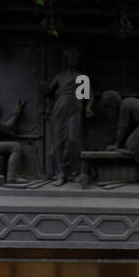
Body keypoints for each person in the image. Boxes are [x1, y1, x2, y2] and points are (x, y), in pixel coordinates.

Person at [45, 47, 87, 185]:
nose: (73, 60)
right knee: (57, 141)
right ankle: (60, 174)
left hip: (74, 107)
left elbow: (85, 97)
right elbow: (49, 92)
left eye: (75, 57)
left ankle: (75, 173)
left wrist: (88, 108)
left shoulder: (81, 77)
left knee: (73, 140)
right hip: (59, 108)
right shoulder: (59, 77)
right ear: (65, 60)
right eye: (70, 57)